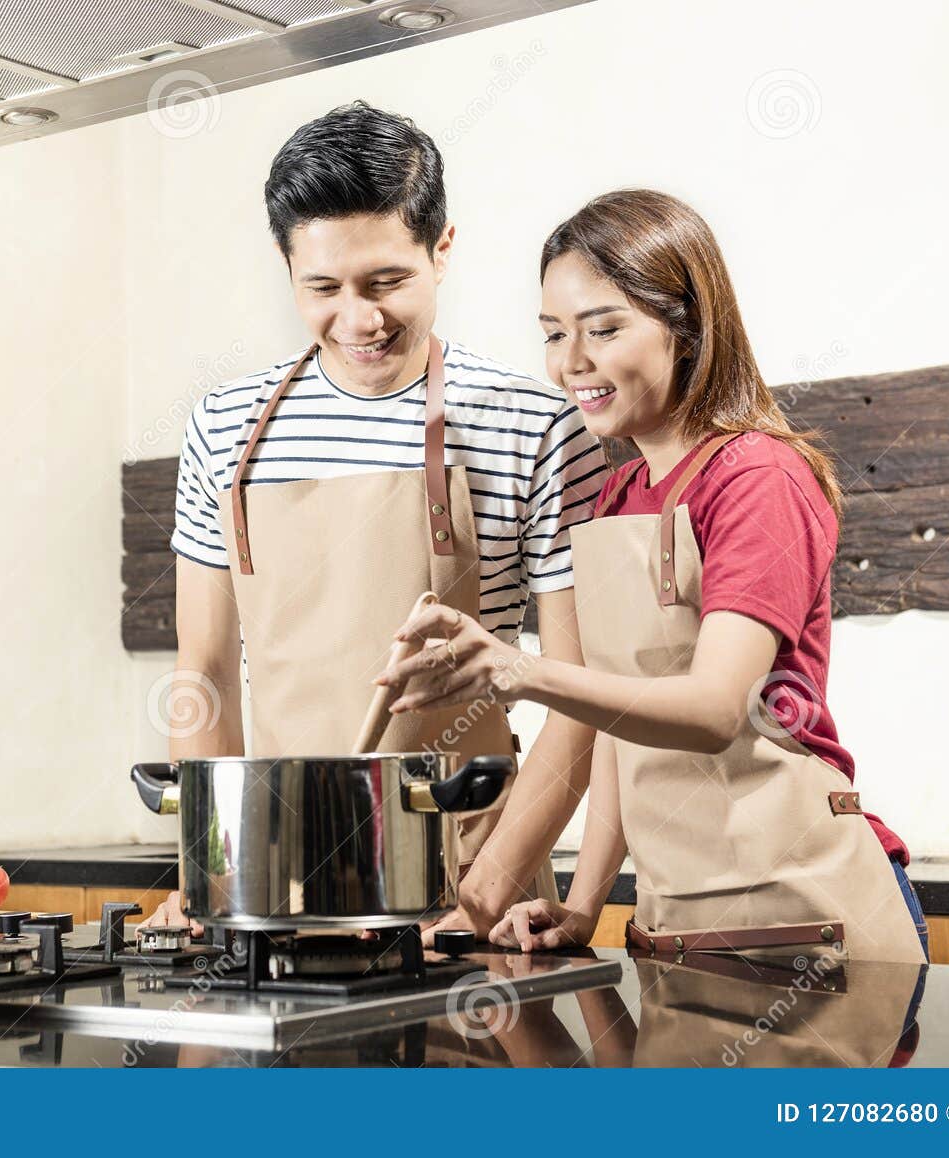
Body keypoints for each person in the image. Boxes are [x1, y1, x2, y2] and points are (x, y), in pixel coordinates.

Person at [378, 189, 930, 966]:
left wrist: (518, 670)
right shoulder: (618, 497)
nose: (573, 361)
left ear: (687, 327)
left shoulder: (761, 477)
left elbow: (711, 711)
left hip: (811, 919)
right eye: (554, 334)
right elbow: (618, 736)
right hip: (677, 923)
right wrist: (582, 906)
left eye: (604, 329)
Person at [141, 102, 604, 930]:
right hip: (277, 886)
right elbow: (205, 673)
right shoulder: (223, 428)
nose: (359, 319)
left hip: (471, 885)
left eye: (387, 281)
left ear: (443, 250)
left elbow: (583, 701)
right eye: (323, 287)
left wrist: (484, 893)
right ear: (285, 267)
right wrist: (207, 871)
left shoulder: (536, 424)